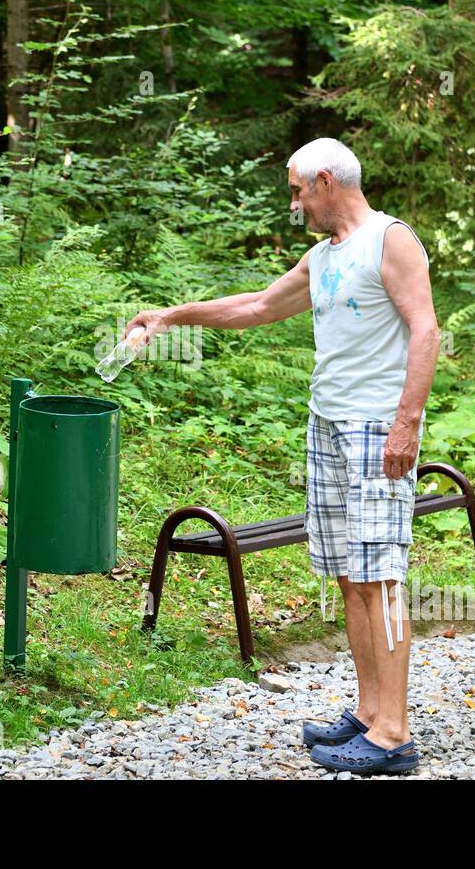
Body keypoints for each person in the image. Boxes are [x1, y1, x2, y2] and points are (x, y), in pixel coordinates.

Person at [123, 137, 439, 775]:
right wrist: (171, 316)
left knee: (384, 578)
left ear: (326, 182)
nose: (294, 203)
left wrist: (406, 425)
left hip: (377, 427)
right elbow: (258, 306)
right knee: (352, 577)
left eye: (297, 190)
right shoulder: (324, 258)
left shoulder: (391, 240)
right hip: (328, 425)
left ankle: (394, 734)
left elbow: (426, 329)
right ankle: (370, 713)